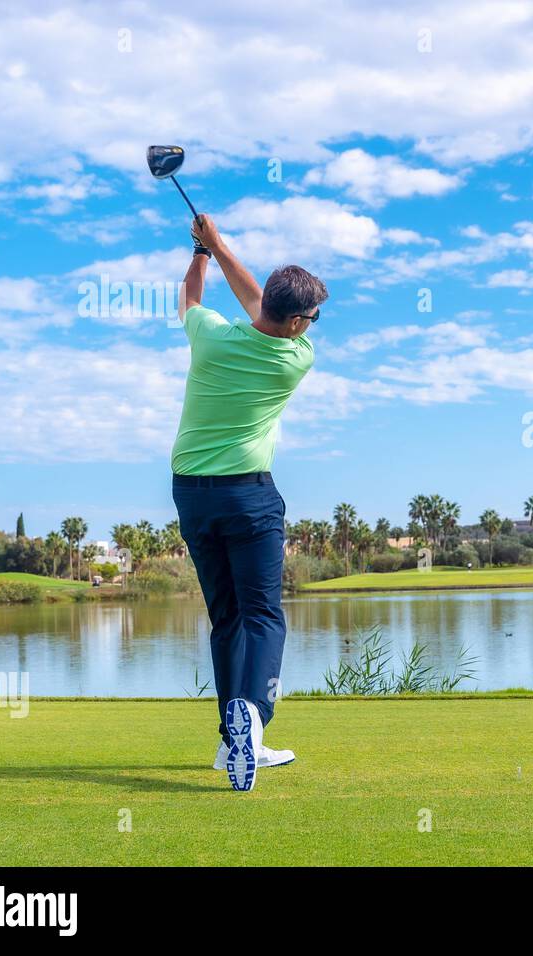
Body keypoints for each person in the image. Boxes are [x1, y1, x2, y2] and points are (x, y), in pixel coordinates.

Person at [171, 215, 326, 792]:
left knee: (226, 618)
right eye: (311, 318)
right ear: (295, 323)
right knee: (263, 616)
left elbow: (193, 298)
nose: (313, 326)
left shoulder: (209, 335)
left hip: (191, 494)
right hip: (249, 496)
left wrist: (204, 254)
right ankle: (253, 730)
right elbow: (262, 304)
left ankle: (227, 739)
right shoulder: (295, 359)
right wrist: (217, 246)